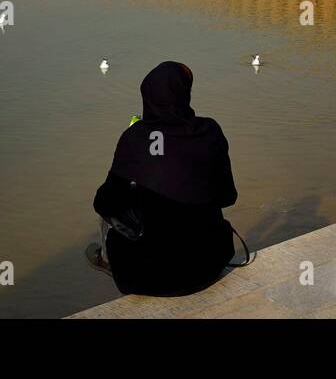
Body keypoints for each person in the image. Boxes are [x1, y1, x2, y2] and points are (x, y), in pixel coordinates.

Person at [87, 62, 239, 296]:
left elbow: (104, 202)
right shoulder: (209, 131)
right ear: (185, 93)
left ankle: (107, 258)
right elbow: (228, 197)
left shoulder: (134, 137)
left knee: (116, 201)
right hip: (206, 266)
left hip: (144, 277)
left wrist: (143, 177)